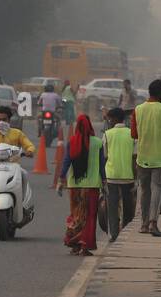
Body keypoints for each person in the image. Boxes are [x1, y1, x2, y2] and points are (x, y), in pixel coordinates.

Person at [130, 78, 161, 236]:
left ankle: (144, 224)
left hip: (142, 156)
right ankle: (153, 222)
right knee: (157, 188)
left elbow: (134, 133)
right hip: (159, 157)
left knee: (144, 190)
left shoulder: (138, 109)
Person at [56, 113, 105, 255]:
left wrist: (61, 180)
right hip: (92, 187)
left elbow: (66, 162)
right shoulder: (97, 142)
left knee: (76, 214)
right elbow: (102, 166)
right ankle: (85, 245)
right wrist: (105, 181)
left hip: (74, 186)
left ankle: (74, 244)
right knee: (89, 216)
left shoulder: (72, 141)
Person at [102, 107, 138, 242]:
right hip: (127, 176)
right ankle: (125, 232)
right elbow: (135, 157)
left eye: (110, 118)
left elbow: (104, 156)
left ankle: (114, 234)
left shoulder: (107, 134)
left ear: (115, 119)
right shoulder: (132, 134)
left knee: (112, 205)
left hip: (111, 175)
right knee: (128, 206)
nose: (109, 121)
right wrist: (135, 177)